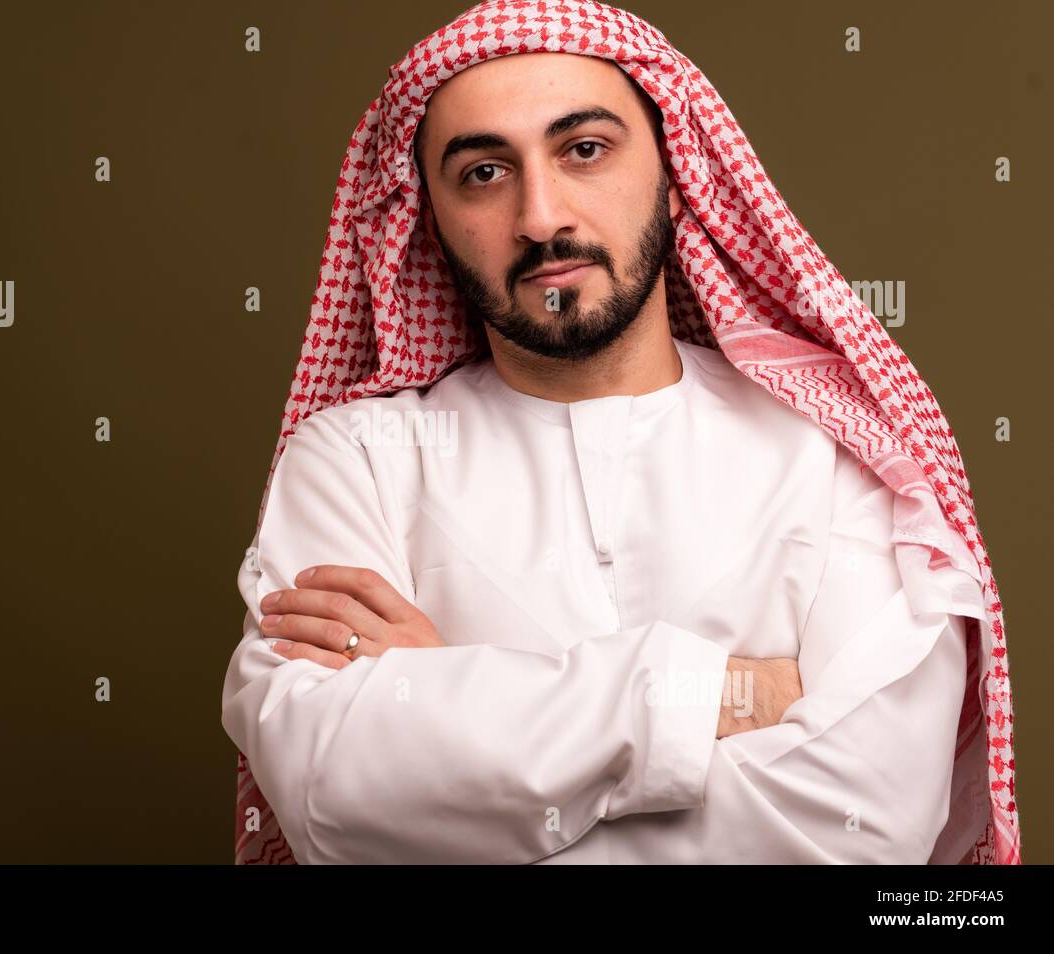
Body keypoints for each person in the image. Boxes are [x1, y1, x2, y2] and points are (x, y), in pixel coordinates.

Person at [220, 0, 1020, 865]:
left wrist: (452, 703)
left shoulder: (835, 452)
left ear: (675, 173)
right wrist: (723, 695)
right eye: (484, 172)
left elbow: (865, 831)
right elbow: (332, 797)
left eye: (585, 150)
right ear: (429, 220)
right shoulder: (353, 462)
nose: (540, 215)